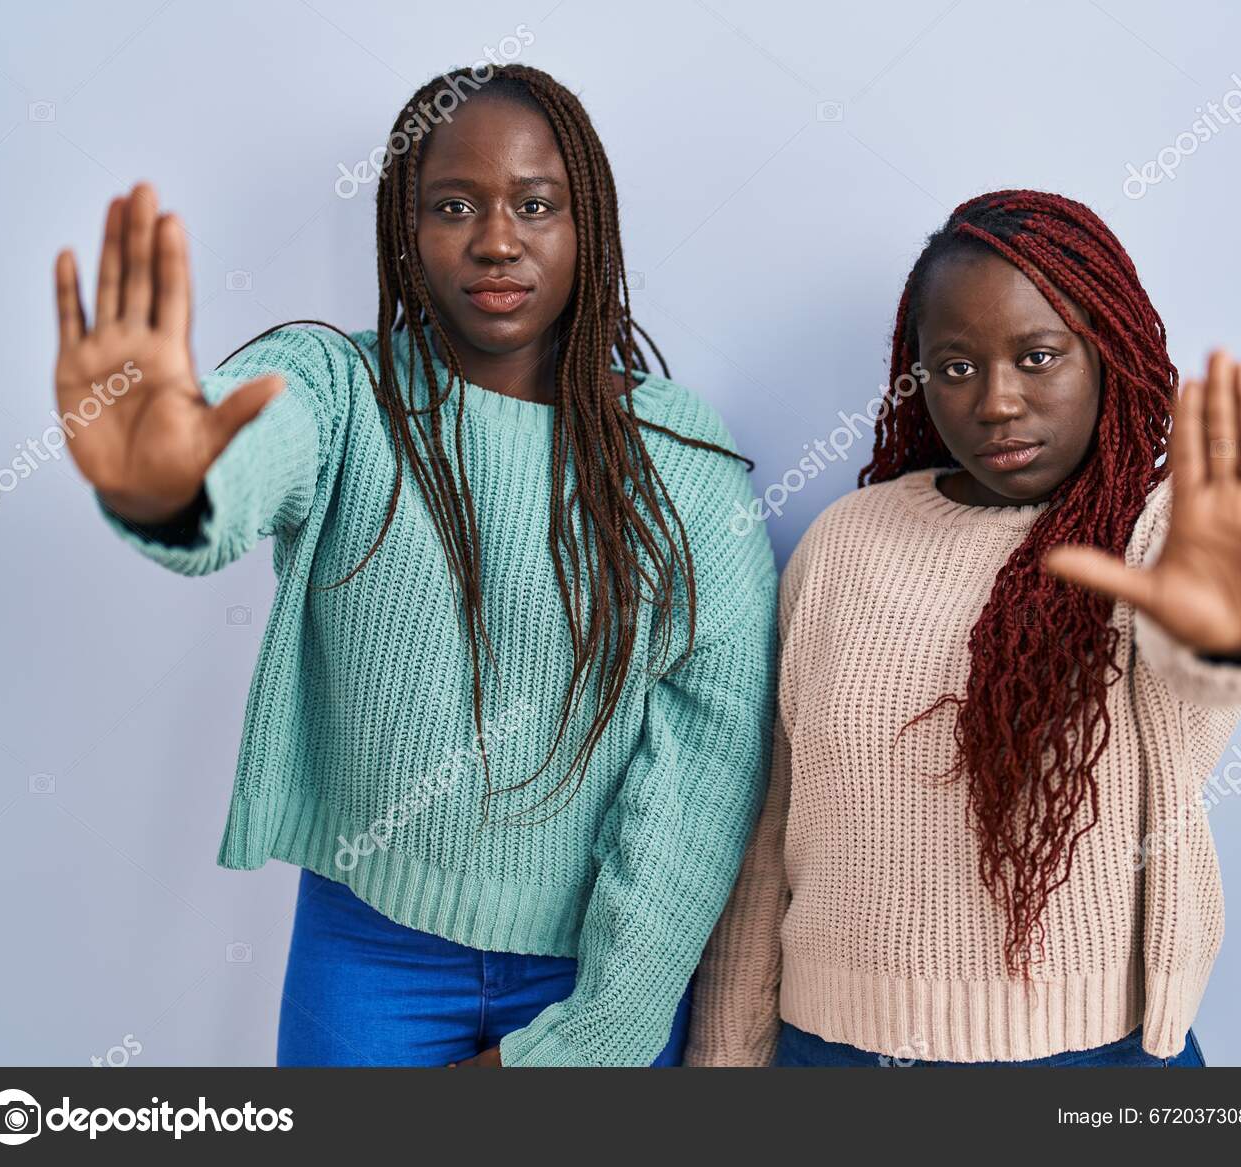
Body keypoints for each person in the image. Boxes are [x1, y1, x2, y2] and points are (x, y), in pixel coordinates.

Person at [51, 64, 777, 1067]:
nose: (495, 239)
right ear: (404, 228)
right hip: (367, 946)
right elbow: (252, 446)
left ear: (589, 228)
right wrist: (168, 482)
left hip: (596, 966)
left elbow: (708, 771)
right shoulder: (339, 388)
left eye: (536, 204)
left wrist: (600, 1031)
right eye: (452, 205)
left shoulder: (679, 459)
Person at [686, 190, 1241, 1067]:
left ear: (1107, 352)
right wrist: (724, 1058)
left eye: (1038, 356)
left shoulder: (1154, 535)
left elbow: (1218, 675)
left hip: (1089, 1057)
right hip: (829, 1052)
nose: (997, 401)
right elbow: (771, 828)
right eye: (955, 366)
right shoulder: (844, 541)